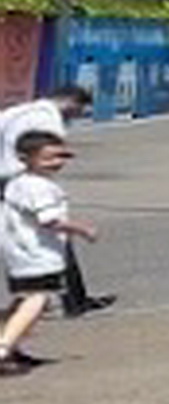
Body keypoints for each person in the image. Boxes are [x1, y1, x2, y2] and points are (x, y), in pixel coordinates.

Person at [0, 85, 108, 314]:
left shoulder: (15, 112)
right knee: (53, 234)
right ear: (72, 103)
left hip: (5, 179)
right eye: (78, 111)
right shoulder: (49, 120)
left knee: (14, 236)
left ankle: (39, 295)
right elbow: (49, 152)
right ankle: (71, 300)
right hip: (23, 179)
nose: (75, 117)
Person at [2, 128, 97, 369]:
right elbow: (50, 220)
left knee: (25, 299)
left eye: (61, 156)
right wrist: (82, 228)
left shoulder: (17, 183)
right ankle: (4, 347)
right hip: (36, 254)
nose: (57, 163)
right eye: (48, 158)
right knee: (38, 299)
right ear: (26, 159)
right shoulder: (39, 188)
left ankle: (12, 344)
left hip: (18, 252)